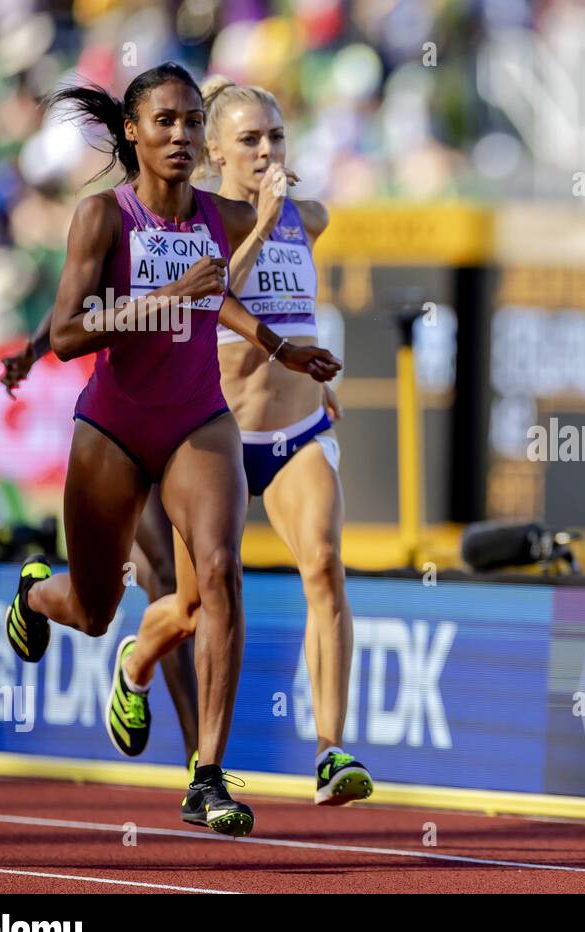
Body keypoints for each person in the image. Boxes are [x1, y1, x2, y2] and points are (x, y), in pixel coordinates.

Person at [3, 62, 341, 835]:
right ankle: (33, 595)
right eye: (165, 122)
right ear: (132, 132)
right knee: (91, 610)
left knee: (221, 571)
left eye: (193, 121)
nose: (182, 135)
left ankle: (208, 775)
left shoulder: (219, 214)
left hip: (198, 421)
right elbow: (64, 335)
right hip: (114, 429)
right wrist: (164, 300)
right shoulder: (102, 217)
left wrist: (281, 348)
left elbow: (224, 288)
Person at [106, 77, 373, 808]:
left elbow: (295, 306)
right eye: (250, 139)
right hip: (212, 439)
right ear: (214, 149)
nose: (266, 150)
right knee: (194, 609)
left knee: (323, 565)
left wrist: (316, 372)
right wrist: (260, 219)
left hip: (296, 432)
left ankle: (329, 750)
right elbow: (211, 293)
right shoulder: (197, 222)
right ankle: (135, 664)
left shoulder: (308, 216)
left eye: (277, 137)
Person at [0, 316, 200, 764]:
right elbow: (76, 301)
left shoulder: (218, 245)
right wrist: (33, 350)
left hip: (203, 423)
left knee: (195, 590)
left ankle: (200, 762)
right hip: (128, 428)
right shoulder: (120, 244)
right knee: (105, 609)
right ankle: (34, 596)